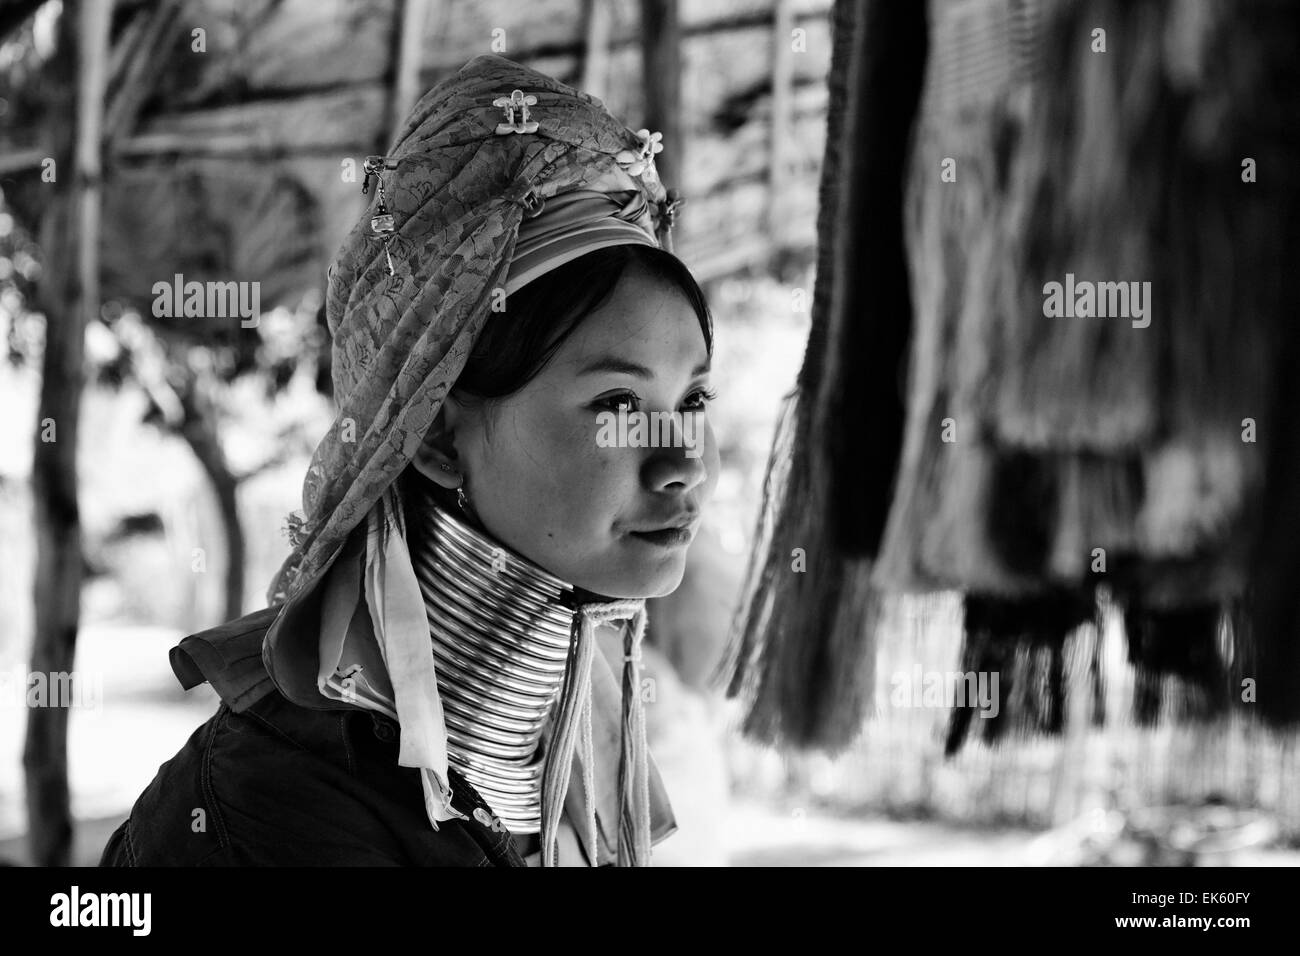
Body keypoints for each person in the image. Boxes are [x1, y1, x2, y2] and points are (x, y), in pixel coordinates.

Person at [99, 53, 717, 867]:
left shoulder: (584, 771)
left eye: (694, 404)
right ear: (435, 437)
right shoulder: (273, 816)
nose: (684, 464)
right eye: (619, 406)